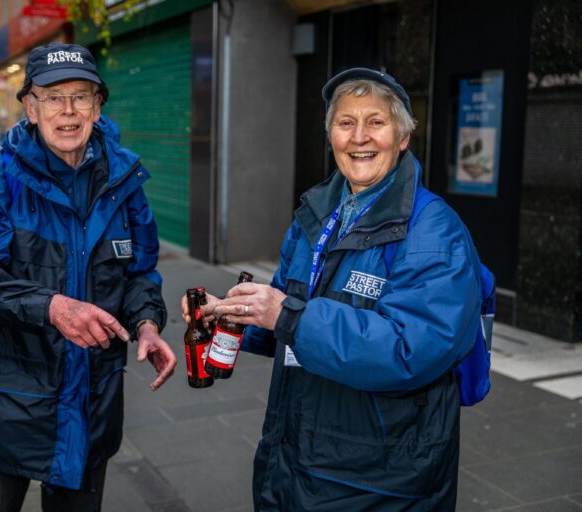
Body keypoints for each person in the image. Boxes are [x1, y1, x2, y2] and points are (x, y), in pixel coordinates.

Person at [186, 68, 482, 510]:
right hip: (293, 457)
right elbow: (285, 312)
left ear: (403, 137)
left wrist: (288, 316)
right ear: (331, 137)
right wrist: (233, 316)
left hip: (378, 479)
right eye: (346, 122)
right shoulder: (316, 212)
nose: (359, 137)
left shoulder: (434, 230)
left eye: (376, 122)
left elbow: (412, 350)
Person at [0, 43, 177, 512]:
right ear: (31, 109)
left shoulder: (124, 182)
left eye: (81, 96)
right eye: (52, 97)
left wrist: (147, 323)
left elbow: (140, 271)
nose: (68, 110)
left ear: (97, 106)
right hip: (2, 399)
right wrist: (52, 307)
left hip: (90, 398)